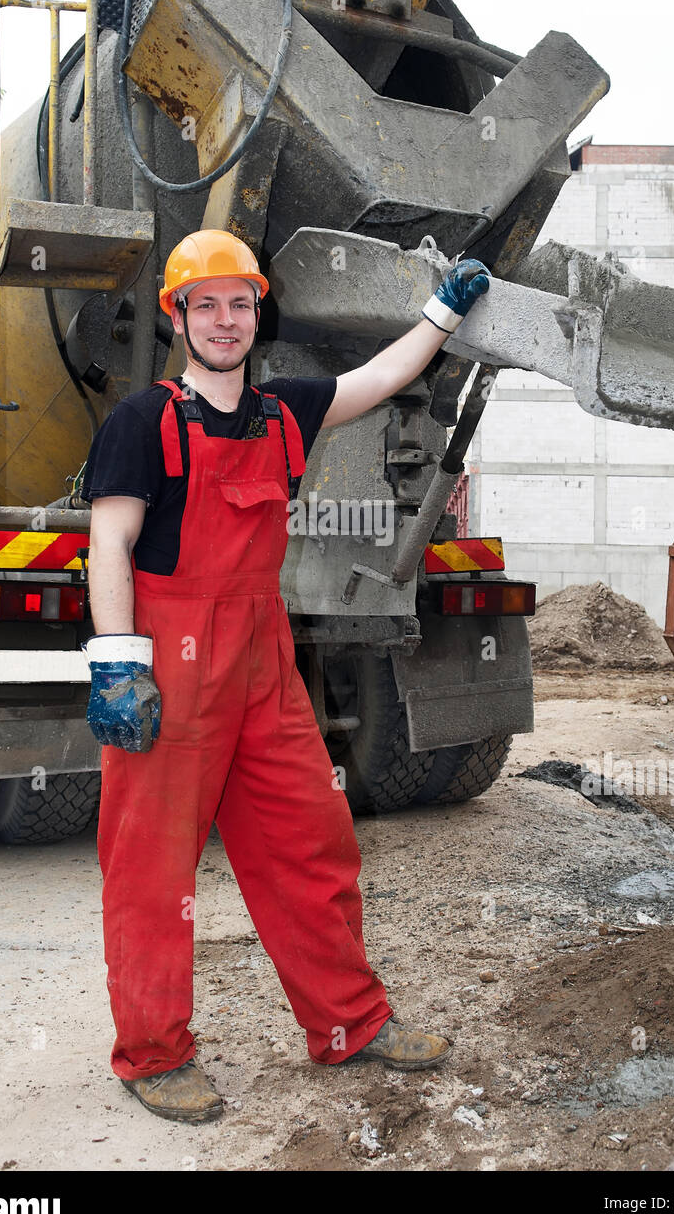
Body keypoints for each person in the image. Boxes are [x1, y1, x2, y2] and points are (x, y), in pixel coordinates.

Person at [81, 228, 491, 1124]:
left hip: (262, 659)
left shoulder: (284, 411)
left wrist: (444, 311)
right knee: (153, 870)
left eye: (240, 303)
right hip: (172, 662)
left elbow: (378, 381)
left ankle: (348, 1021)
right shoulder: (140, 422)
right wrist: (117, 663)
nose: (225, 320)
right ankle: (153, 1053)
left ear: (256, 313)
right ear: (178, 317)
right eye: (206, 304)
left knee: (310, 840)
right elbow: (107, 540)